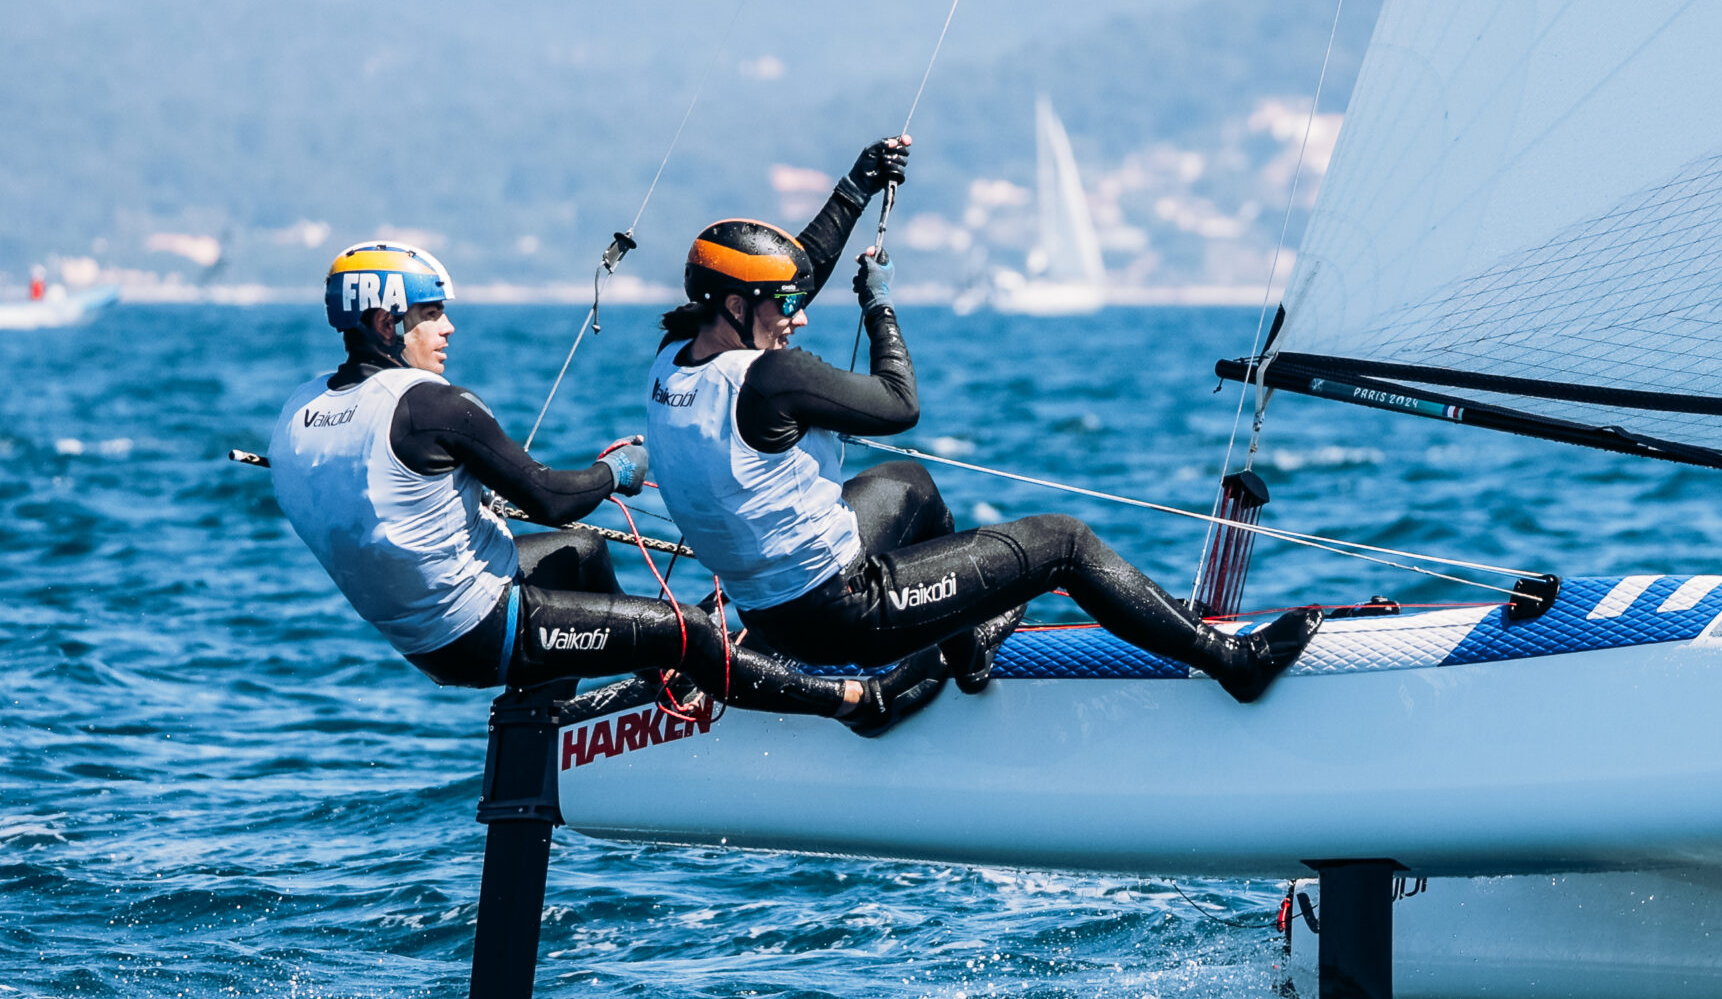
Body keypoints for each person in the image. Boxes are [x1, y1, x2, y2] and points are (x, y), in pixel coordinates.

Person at [648, 136, 1322, 699]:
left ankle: (964, 661)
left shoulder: (677, 358)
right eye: (782, 303)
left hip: (773, 611)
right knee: (1064, 544)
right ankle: (1235, 665)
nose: (797, 314)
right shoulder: (771, 376)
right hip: (843, 611)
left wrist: (857, 186)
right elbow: (899, 403)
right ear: (735, 306)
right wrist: (879, 305)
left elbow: (796, 270)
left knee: (909, 487)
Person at [269, 241, 945, 734]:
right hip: (478, 631)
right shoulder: (432, 406)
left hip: (417, 632)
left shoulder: (297, 416)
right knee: (688, 630)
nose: (448, 328)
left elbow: (368, 507)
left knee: (583, 557)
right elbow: (554, 500)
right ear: (388, 323)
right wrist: (619, 472)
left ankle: (646, 689)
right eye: (431, 313)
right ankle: (855, 702)